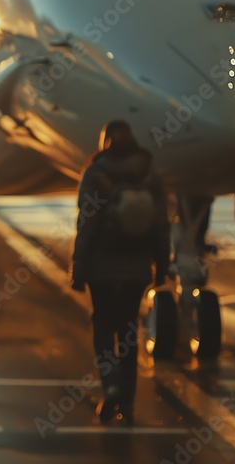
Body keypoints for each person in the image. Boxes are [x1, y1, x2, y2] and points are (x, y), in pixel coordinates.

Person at [69, 120, 170, 425]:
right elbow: (161, 226)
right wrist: (161, 266)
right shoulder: (149, 174)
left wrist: (79, 268)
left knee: (102, 328)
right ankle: (127, 402)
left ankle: (110, 386)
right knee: (128, 331)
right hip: (136, 269)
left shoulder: (96, 173)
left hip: (101, 268)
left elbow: (86, 225)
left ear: (106, 142)